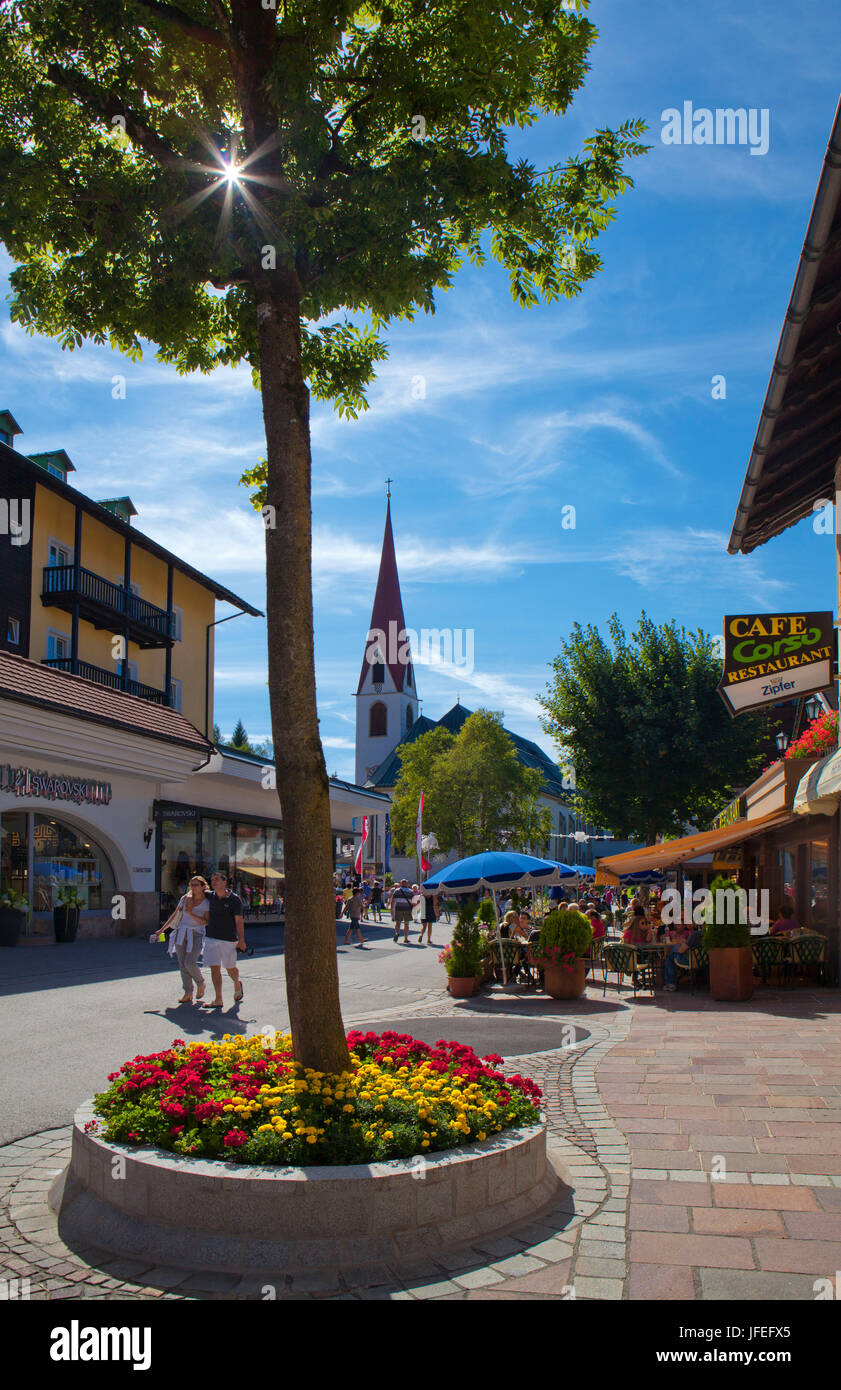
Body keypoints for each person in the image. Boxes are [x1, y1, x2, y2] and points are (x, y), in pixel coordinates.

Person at [152, 874, 209, 1004]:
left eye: (196, 885)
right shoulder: (184, 898)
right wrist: (162, 930)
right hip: (181, 932)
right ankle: (188, 992)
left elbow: (205, 921)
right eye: (191, 885)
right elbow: (175, 915)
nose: (193, 887)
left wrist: (190, 914)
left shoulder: (206, 901)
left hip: (196, 934)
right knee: (182, 964)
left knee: (190, 962)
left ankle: (201, 983)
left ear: (203, 886)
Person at [203, 872, 246, 1007]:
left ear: (224, 882)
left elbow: (239, 921)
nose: (213, 882)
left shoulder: (234, 899)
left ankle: (237, 983)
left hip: (228, 939)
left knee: (230, 967)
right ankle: (218, 999)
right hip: (211, 937)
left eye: (217, 879)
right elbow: (195, 892)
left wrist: (241, 940)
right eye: (212, 880)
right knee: (214, 968)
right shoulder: (210, 896)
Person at [663, 926, 702, 991]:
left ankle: (671, 984)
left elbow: (681, 950)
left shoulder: (695, 935)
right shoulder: (706, 936)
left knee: (671, 955)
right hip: (701, 961)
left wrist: (681, 944)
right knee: (673, 951)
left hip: (690, 961)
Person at [389, 878, 415, 944]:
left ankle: (397, 933)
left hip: (398, 908)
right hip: (407, 909)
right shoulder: (410, 891)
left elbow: (393, 900)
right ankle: (405, 938)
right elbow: (413, 901)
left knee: (398, 923)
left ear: (401, 884)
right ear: (407, 884)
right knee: (406, 924)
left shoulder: (397, 890)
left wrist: (392, 909)